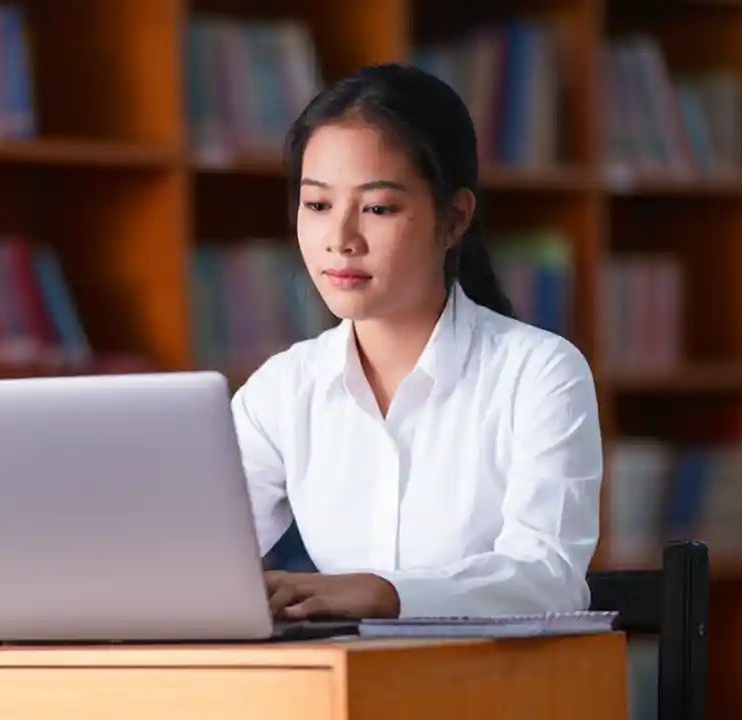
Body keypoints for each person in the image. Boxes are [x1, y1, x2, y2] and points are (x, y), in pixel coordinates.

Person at [230, 63, 603, 621]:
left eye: (378, 208)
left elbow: (547, 576)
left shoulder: (541, 373)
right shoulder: (283, 390)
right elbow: (194, 557)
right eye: (317, 205)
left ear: (453, 219)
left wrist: (383, 593)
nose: (340, 240)